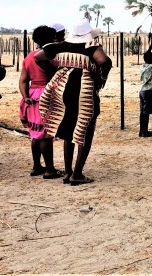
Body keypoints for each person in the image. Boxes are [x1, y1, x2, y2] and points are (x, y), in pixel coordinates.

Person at [36, 20, 112, 185]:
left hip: (62, 91)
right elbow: (104, 61)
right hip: (84, 92)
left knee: (68, 130)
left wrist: (56, 69)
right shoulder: (91, 47)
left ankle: (68, 172)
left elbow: (38, 57)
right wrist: (100, 78)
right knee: (86, 130)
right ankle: (77, 174)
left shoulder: (61, 46)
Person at [18, 25, 62, 178]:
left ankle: (37, 166)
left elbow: (23, 80)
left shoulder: (29, 57)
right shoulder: (52, 56)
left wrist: (26, 97)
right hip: (47, 94)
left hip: (32, 95)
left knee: (35, 133)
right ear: (52, 39)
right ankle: (50, 170)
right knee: (45, 135)